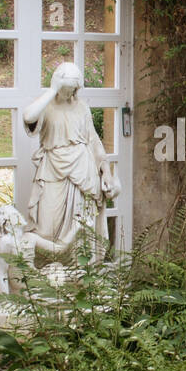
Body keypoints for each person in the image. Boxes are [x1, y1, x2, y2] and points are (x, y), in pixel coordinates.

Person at [22, 61, 120, 262]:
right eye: (65, 90)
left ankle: (81, 276)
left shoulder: (82, 108)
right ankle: (49, 273)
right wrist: (53, 90)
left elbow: (93, 141)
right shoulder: (46, 107)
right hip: (52, 171)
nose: (68, 94)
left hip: (83, 172)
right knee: (46, 228)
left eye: (72, 90)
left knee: (82, 228)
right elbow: (28, 115)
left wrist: (106, 170)